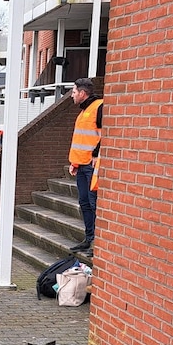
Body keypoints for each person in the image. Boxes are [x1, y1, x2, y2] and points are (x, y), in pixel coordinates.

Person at [67, 77, 102, 253]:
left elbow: (104, 134)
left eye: (74, 92)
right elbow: (82, 139)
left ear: (82, 93)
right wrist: (75, 162)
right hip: (81, 165)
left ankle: (96, 242)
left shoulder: (99, 107)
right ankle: (88, 239)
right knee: (84, 203)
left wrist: (96, 154)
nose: (72, 95)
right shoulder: (83, 111)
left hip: (91, 165)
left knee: (92, 203)